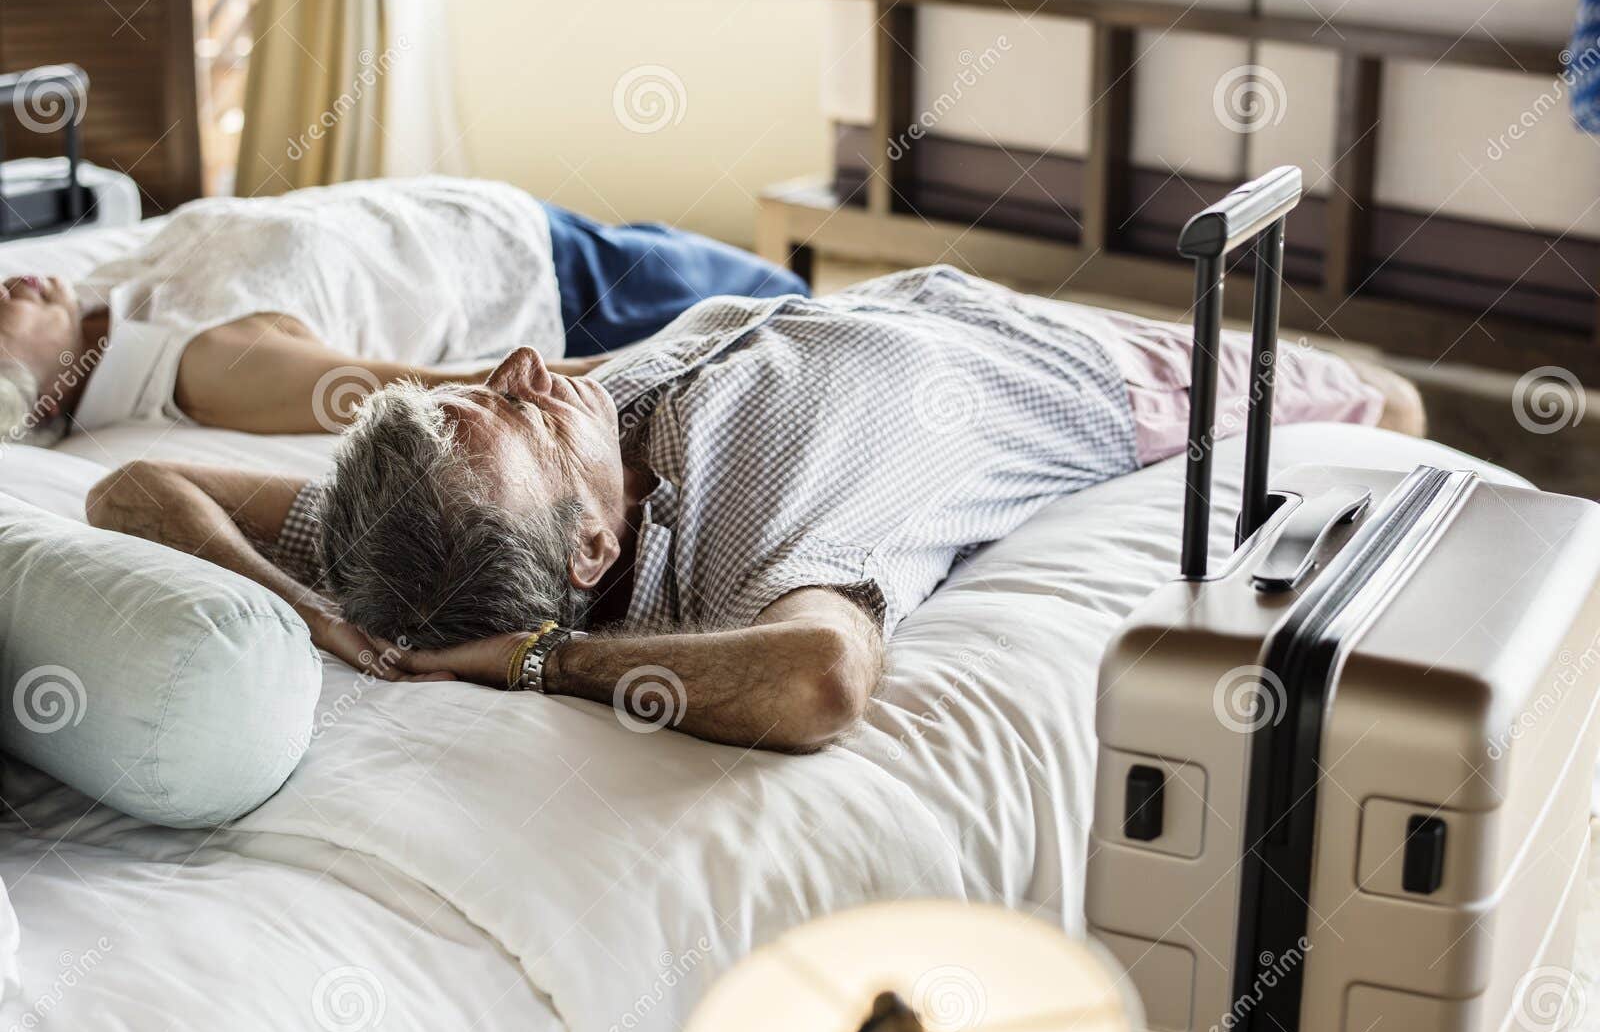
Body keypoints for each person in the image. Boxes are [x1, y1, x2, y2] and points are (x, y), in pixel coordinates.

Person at [88, 267, 1425, 754]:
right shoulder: (782, 495)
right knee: (1396, 409)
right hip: (1101, 374)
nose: (517, 372)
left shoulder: (427, 528)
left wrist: (306, 610)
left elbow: (138, 483)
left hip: (889, 309)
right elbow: (816, 682)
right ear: (593, 547)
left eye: (482, 398)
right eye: (521, 416)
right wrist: (539, 663)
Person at [0, 176, 806, 439]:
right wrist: (653, 366)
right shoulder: (201, 367)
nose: (6, 289)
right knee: (788, 298)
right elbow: (417, 389)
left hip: (518, 225)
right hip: (565, 286)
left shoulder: (105, 293)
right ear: (36, 388)